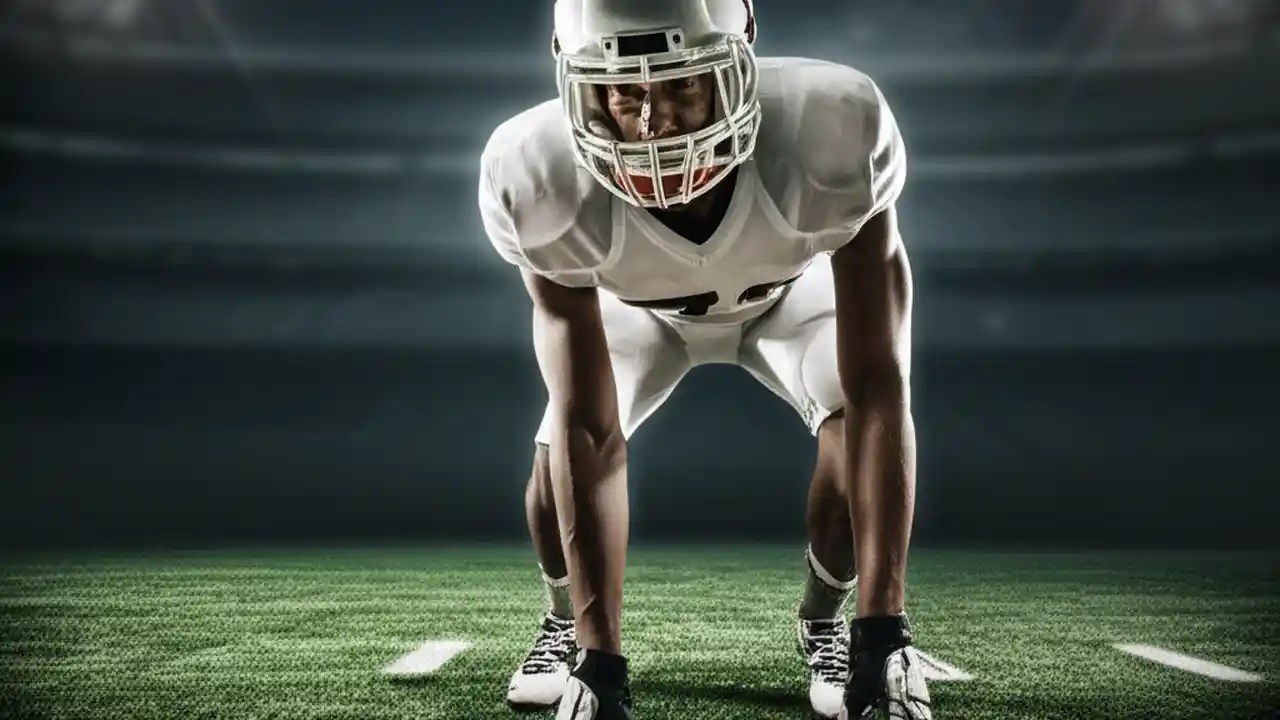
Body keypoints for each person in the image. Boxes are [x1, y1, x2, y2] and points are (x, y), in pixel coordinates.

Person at [478, 1, 930, 717]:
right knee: (550, 477)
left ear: (741, 58)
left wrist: (887, 627)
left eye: (683, 86)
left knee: (852, 434)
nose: (655, 127)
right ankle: (569, 625)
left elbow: (879, 385)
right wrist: (604, 660)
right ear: (577, 84)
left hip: (788, 300)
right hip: (639, 314)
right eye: (626, 93)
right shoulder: (535, 177)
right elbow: (587, 430)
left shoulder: (834, 131)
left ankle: (830, 624)